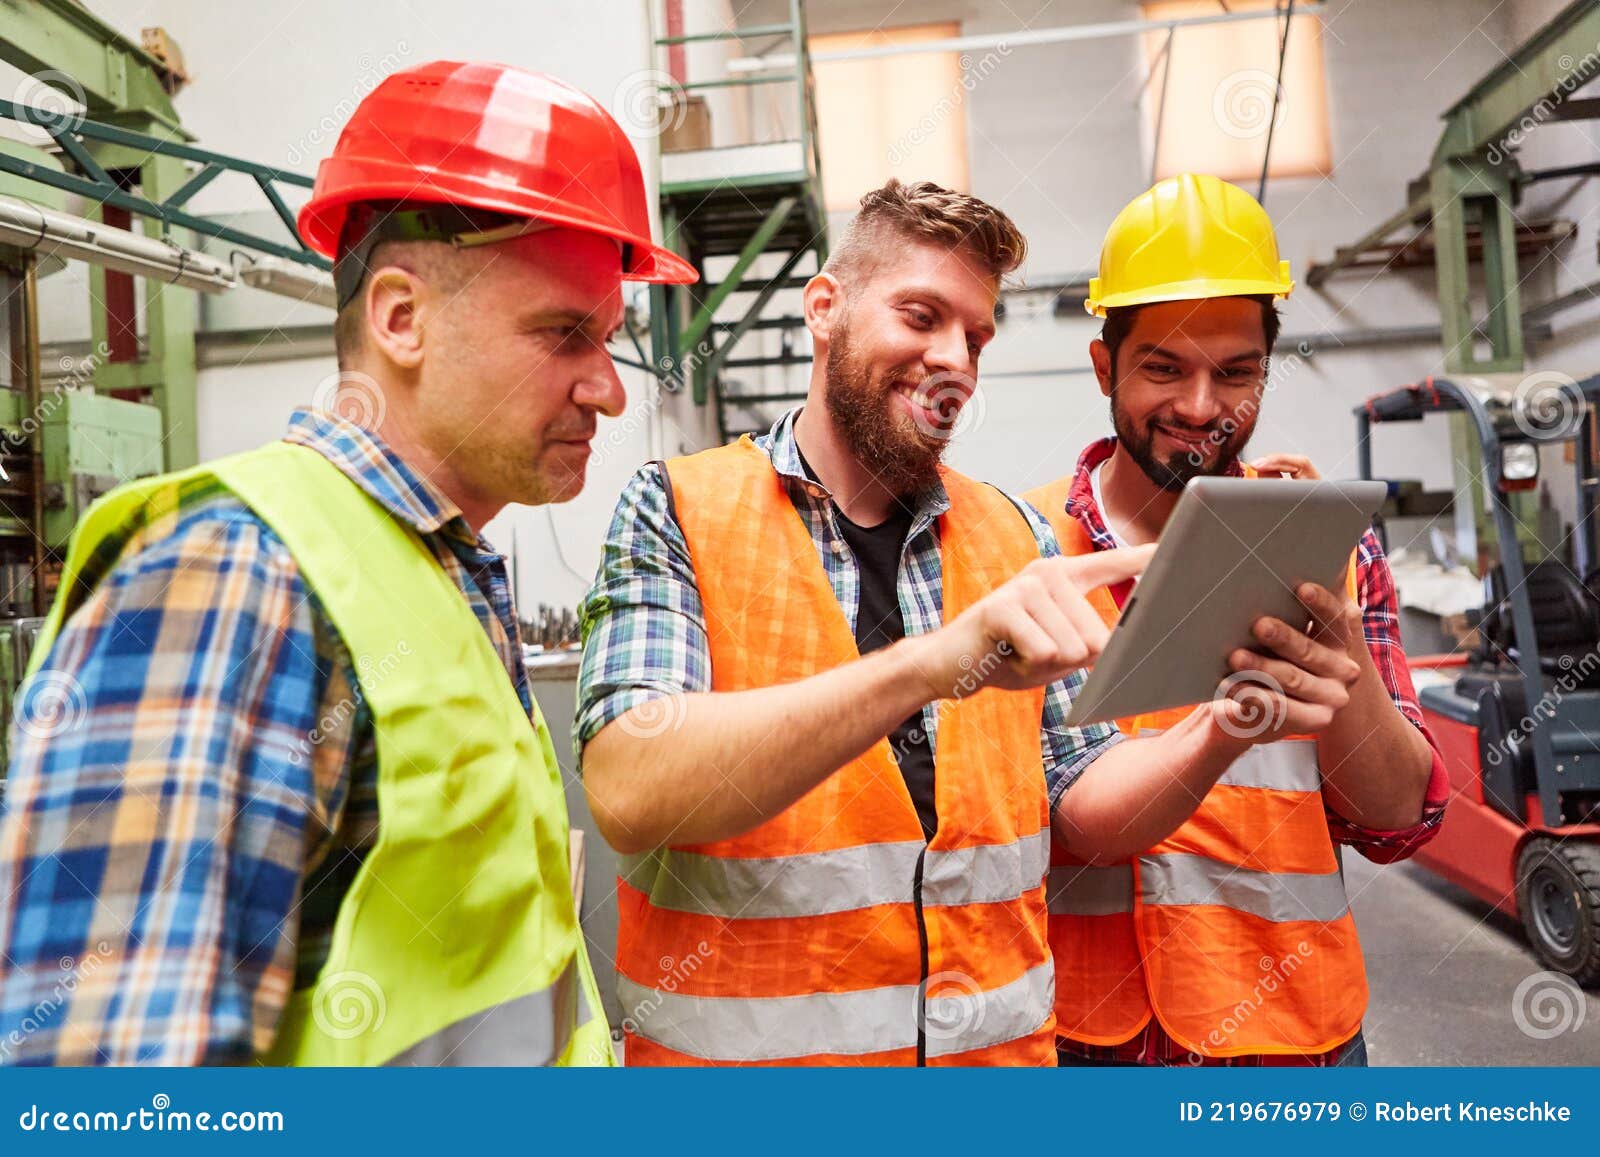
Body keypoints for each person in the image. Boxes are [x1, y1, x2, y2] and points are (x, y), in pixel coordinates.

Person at [577, 178, 1366, 1066]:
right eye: (921, 316)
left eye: (976, 336)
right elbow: (628, 788)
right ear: (825, 309)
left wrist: (1228, 719)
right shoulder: (680, 508)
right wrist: (932, 663)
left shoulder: (1010, 535)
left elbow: (1086, 807)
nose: (953, 356)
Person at [0, 62, 697, 1066]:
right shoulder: (235, 576)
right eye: (563, 334)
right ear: (400, 317)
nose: (609, 388)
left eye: (609, 337)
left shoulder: (441, 569)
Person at [1025, 173, 1450, 1067]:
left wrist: (1334, 653)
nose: (1202, 407)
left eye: (1236, 372)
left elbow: (1396, 820)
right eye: (1163, 367)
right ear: (1105, 367)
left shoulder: (1326, 541)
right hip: (1086, 1041)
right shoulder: (1025, 546)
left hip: (1292, 1038)